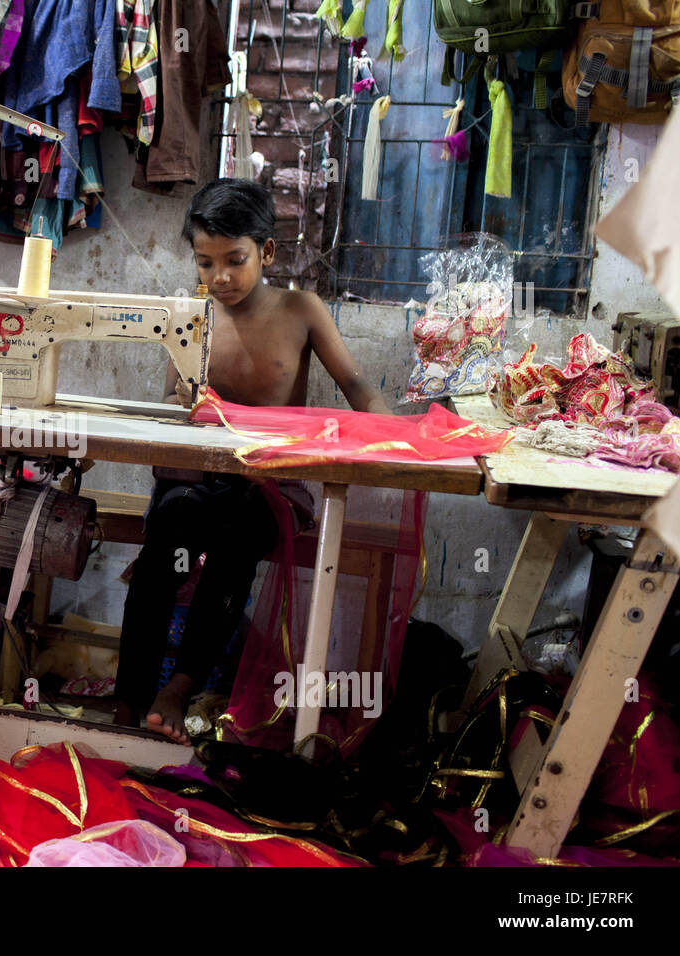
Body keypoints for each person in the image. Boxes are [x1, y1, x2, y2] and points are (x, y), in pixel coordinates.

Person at [115, 178, 392, 744]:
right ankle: (129, 698)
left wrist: (390, 434)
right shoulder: (191, 314)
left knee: (237, 537)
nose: (220, 277)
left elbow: (359, 387)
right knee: (167, 533)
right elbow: (174, 398)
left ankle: (180, 685)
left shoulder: (301, 310)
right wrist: (189, 406)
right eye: (205, 262)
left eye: (235, 260)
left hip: (269, 484)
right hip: (198, 476)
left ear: (266, 253)